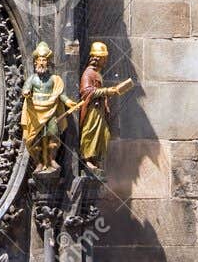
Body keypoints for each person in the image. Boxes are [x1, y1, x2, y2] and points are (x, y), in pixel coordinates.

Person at [21, 42, 77, 171]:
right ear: (35, 62)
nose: (41, 63)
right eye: (39, 60)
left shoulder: (53, 79)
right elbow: (26, 89)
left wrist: (68, 102)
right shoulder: (32, 79)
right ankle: (39, 162)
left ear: (48, 62)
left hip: (51, 110)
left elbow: (60, 94)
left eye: (44, 60)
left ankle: (51, 160)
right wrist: (26, 93)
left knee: (53, 135)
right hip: (35, 112)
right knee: (36, 139)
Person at [78, 41, 133, 171]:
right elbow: (86, 91)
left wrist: (108, 93)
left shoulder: (97, 73)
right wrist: (107, 91)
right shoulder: (88, 73)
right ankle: (87, 159)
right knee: (90, 132)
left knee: (103, 134)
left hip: (99, 109)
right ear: (97, 59)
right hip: (92, 110)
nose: (105, 60)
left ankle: (95, 158)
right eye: (103, 58)